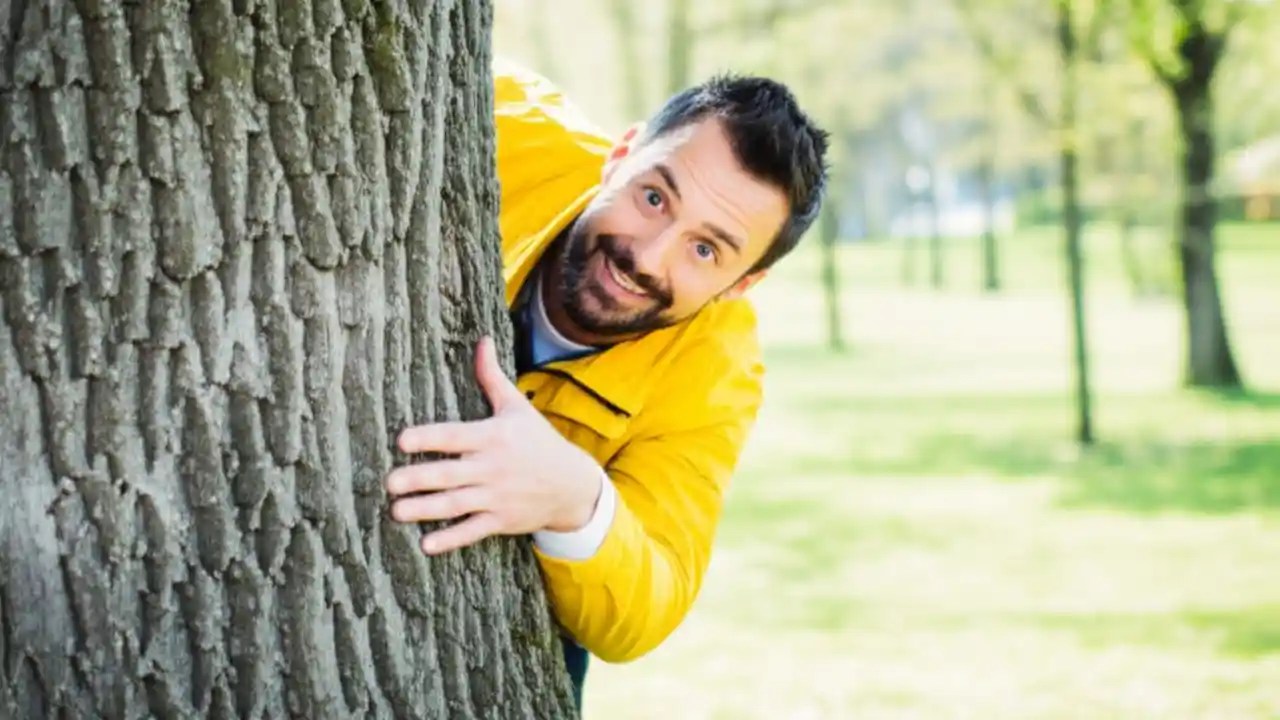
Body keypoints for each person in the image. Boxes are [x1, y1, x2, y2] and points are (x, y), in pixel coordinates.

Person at [384, 59, 829, 706]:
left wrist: (575, 498)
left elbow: (648, 607)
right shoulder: (505, 118)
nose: (645, 257)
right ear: (621, 155)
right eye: (655, 198)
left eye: (705, 250)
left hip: (505, 628)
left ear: (741, 284)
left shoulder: (718, 373)